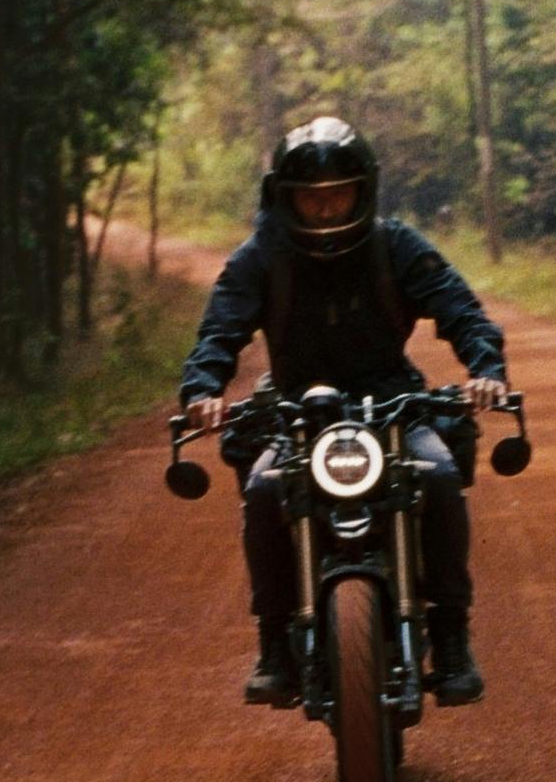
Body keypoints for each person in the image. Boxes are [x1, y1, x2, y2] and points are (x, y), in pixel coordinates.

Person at [178, 115, 509, 709]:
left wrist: (485, 371)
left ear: (364, 191)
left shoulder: (396, 245)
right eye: (312, 198)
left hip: (394, 400)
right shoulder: (260, 258)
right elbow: (218, 333)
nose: (327, 211)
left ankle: (453, 633)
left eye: (339, 196)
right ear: (287, 200)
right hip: (293, 407)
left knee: (435, 476)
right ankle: (274, 642)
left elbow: (462, 310)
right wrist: (203, 392)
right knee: (263, 489)